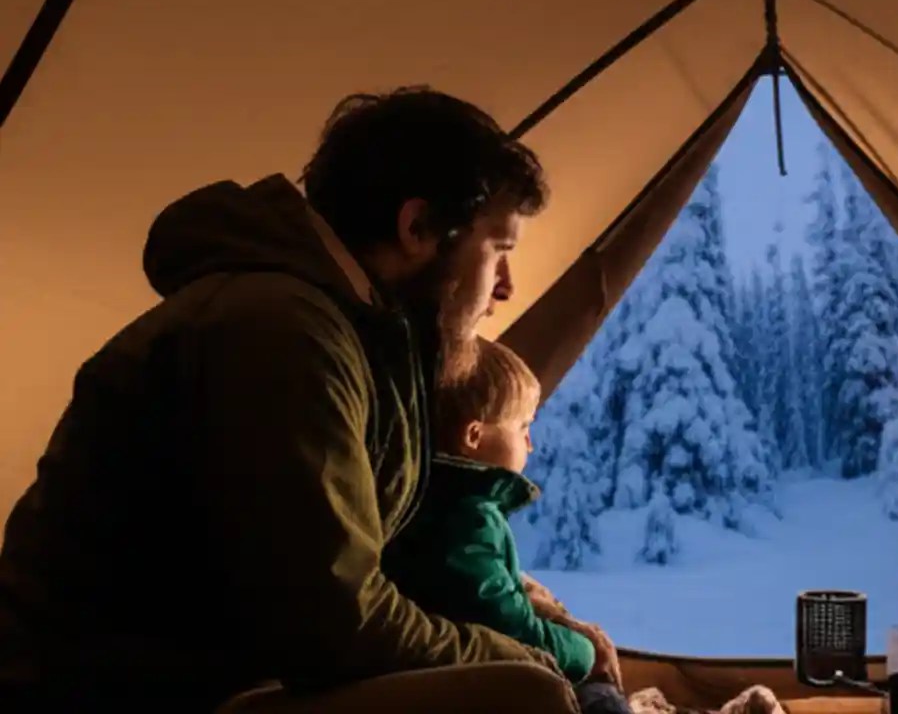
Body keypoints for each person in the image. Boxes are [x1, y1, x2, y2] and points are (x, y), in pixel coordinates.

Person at [0, 86, 580, 713]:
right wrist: (516, 652)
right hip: (119, 695)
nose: (506, 287)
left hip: (203, 677)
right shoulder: (280, 334)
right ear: (417, 228)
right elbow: (336, 625)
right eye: (498, 250)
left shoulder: (353, 334)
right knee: (525, 697)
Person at [384, 337, 633, 714]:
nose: (530, 444)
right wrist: (582, 652)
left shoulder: (435, 501)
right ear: (474, 436)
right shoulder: (465, 518)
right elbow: (510, 628)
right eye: (522, 427)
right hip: (479, 683)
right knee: (603, 701)